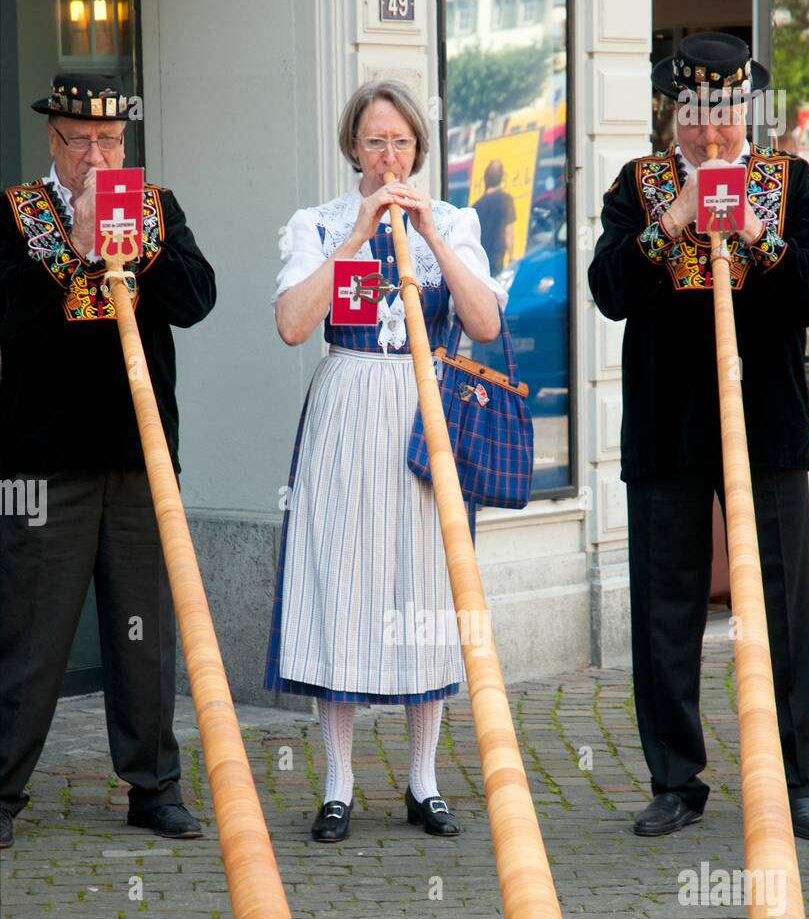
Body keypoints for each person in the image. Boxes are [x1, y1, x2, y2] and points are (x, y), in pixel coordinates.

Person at [588, 33, 809, 841]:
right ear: (673, 115)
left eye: (725, 113)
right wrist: (674, 222)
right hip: (666, 424)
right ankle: (674, 779)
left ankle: (794, 776)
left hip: (764, 422)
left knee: (779, 606)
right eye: (694, 115)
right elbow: (608, 291)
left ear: (745, 112)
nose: (710, 133)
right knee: (665, 606)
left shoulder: (793, 183)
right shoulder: (638, 186)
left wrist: (761, 237)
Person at [265, 79, 505, 843]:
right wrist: (356, 236)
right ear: (352, 147)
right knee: (341, 582)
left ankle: (423, 778)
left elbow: (487, 323)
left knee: (425, 584)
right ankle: (337, 783)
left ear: (419, 150)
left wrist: (432, 236)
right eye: (374, 141)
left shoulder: (457, 221)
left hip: (425, 416)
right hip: (346, 413)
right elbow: (293, 327)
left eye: (401, 141)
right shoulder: (318, 223)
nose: (388, 155)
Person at [0, 73, 217, 850]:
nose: (98, 155)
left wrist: (137, 250)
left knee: (143, 631)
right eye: (82, 140)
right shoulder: (14, 214)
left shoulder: (157, 208)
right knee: (30, 630)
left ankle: (153, 787)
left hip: (139, 456)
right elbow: (10, 315)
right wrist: (79, 250)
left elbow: (197, 301)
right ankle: (2, 789)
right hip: (38, 460)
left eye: (112, 141)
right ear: (52, 140)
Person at [473, 160, 516, 275]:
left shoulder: (476, 206)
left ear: (485, 178)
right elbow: (509, 231)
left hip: (479, 260)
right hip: (497, 259)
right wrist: (512, 257)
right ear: (501, 178)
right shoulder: (506, 200)